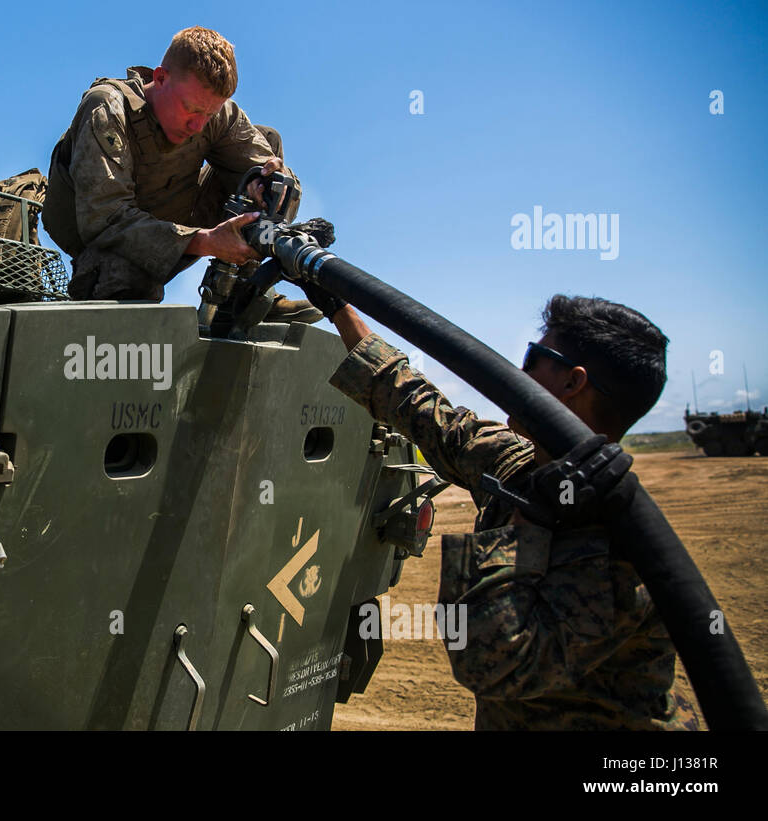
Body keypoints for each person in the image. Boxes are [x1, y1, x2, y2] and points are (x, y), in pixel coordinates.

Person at [302, 286, 699, 730]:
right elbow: (416, 403)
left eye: (533, 358)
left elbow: (488, 660)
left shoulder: (618, 551)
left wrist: (527, 527)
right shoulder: (519, 463)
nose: (516, 371)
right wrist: (336, 305)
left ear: (573, 382)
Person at [43, 26, 319, 321]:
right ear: (160, 78)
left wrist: (267, 185)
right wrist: (207, 241)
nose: (197, 126)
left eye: (209, 114)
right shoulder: (108, 107)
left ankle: (247, 291)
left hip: (178, 220)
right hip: (107, 245)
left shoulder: (216, 113)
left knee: (268, 158)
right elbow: (104, 218)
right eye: (190, 109)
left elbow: (275, 174)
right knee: (127, 275)